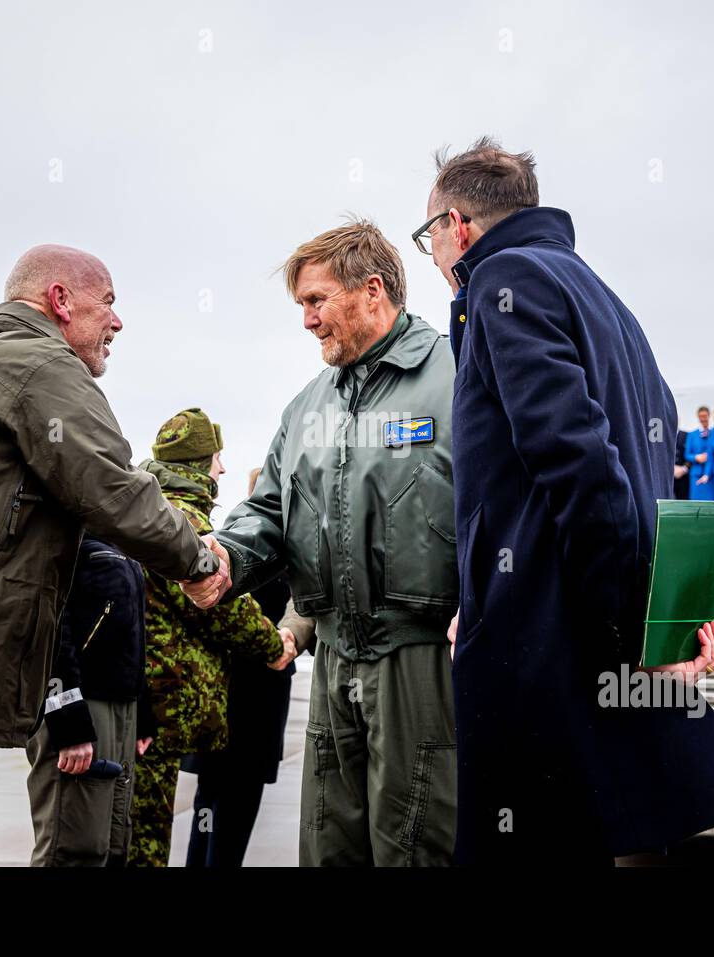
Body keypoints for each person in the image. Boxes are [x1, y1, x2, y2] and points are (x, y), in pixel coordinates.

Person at [421, 137, 714, 865]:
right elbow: (640, 476)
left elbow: (573, 457)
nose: (430, 253)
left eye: (427, 234)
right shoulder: (607, 302)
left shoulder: (502, 280)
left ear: (456, 226)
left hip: (551, 647)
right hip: (576, 627)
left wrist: (634, 630)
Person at [0, 246, 224, 867]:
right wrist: (200, 562)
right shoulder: (38, 366)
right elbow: (113, 489)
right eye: (106, 302)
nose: (117, 322)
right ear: (59, 301)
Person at [183, 221, 460, 866]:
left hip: (420, 662)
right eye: (300, 306)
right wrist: (225, 556)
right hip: (334, 660)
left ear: (371, 291)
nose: (306, 321)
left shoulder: (458, 378)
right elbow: (268, 511)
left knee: (415, 847)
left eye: (316, 300)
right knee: (327, 846)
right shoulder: (307, 407)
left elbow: (503, 510)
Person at [128, 410, 292, 867]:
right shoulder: (183, 522)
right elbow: (222, 604)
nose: (221, 469)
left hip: (136, 700)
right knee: (143, 841)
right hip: (160, 703)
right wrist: (275, 646)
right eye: (217, 458)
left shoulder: (140, 507)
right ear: (199, 462)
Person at [183, 467, 302, 867]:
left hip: (221, 699)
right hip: (255, 705)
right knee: (236, 809)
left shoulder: (229, 549)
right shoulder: (277, 560)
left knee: (209, 806)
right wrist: (283, 642)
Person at [25, 536, 149, 866]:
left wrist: (142, 712)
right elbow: (48, 634)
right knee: (72, 848)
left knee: (111, 844)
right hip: (84, 709)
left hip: (118, 709)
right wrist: (70, 724)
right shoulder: (62, 537)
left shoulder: (116, 537)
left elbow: (129, 632)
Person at [684, 406, 714, 500]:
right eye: (701, 416)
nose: (703, 419)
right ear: (698, 417)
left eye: (705, 416)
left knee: (711, 502)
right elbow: (687, 455)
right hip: (696, 474)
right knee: (696, 501)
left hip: (711, 475)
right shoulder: (692, 435)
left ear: (709, 416)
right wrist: (696, 457)